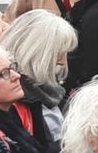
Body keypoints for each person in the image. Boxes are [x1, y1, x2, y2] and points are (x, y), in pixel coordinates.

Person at [4, 9, 78, 141]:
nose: (62, 61)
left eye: (65, 53)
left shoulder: (50, 90)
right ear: (34, 51)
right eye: (57, 53)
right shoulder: (10, 96)